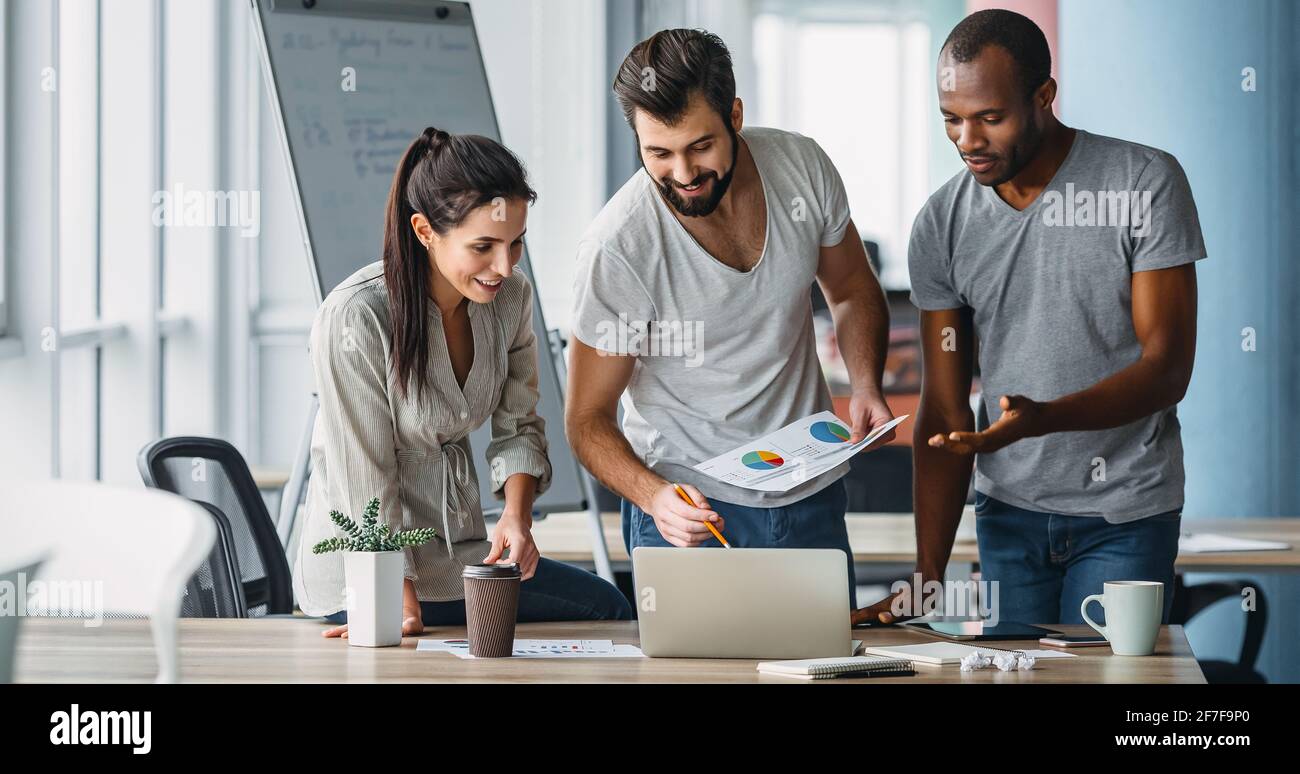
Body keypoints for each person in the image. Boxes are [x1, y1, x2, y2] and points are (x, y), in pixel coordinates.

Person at [856, 10, 1203, 627]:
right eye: (952, 120)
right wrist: (928, 577)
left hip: (1124, 513)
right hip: (1007, 516)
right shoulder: (942, 224)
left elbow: (1166, 369)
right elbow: (943, 410)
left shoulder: (1143, 182)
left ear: (1044, 97)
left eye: (991, 118)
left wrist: (1042, 419)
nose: (968, 140)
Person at [566, 29, 895, 608]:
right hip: (690, 509)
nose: (683, 173)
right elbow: (587, 420)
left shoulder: (802, 167)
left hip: (810, 491)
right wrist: (654, 496)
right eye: (658, 154)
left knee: (823, 669)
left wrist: (866, 383)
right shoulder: (618, 247)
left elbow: (850, 289)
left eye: (700, 146)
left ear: (735, 116)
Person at [292, 127, 632, 636]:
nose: (504, 266)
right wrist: (393, 600)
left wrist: (516, 519)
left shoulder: (511, 298)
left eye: (516, 244)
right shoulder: (355, 316)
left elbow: (518, 424)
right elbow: (363, 476)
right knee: (595, 613)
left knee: (607, 604)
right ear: (425, 231)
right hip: (365, 570)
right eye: (483, 246)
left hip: (459, 555)